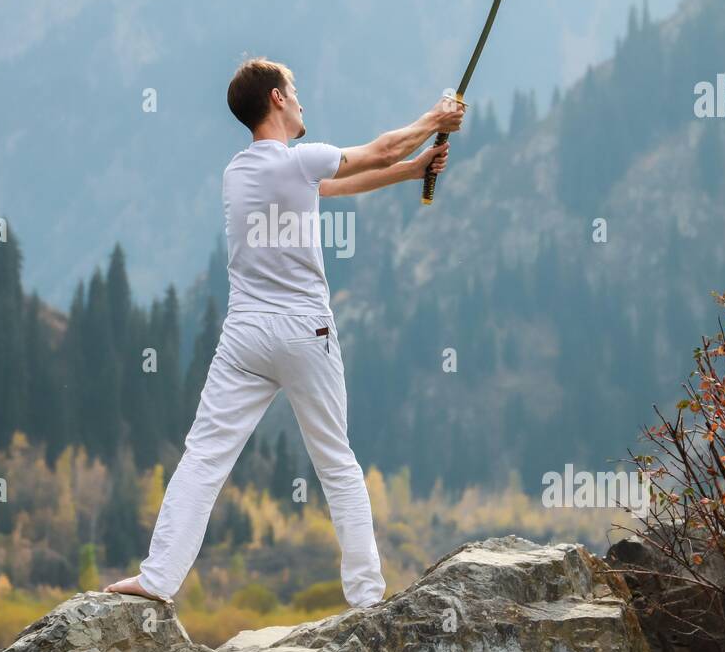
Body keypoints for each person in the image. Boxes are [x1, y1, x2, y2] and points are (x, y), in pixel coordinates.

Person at [105, 57, 464, 608]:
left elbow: (329, 188)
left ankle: (157, 580)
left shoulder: (239, 173)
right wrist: (433, 117)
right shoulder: (302, 160)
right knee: (336, 463)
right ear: (276, 98)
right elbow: (380, 149)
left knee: (203, 457)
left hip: (245, 337)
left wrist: (412, 171)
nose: (301, 101)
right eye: (294, 92)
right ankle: (367, 598)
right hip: (304, 331)